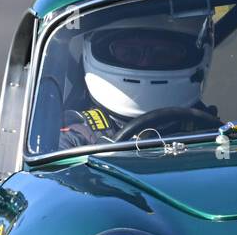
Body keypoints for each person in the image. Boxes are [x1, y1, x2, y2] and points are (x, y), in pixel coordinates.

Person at [60, 11, 217, 148]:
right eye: (129, 53)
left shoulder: (216, 134)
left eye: (164, 54)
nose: (145, 62)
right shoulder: (74, 139)